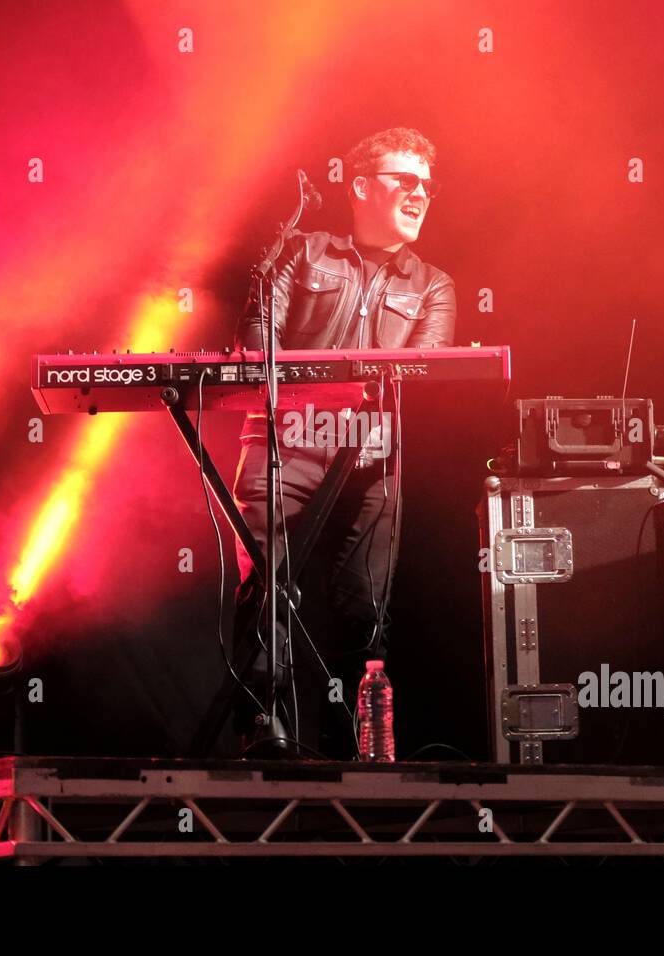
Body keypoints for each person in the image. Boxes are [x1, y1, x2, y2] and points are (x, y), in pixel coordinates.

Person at [230, 127, 456, 758]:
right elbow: (255, 340)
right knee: (264, 580)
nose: (419, 194)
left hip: (371, 451)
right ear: (360, 187)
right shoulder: (302, 253)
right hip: (287, 438)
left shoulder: (433, 284)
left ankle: (359, 745)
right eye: (403, 180)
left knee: (364, 603)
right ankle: (262, 733)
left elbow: (428, 374)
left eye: (425, 185)